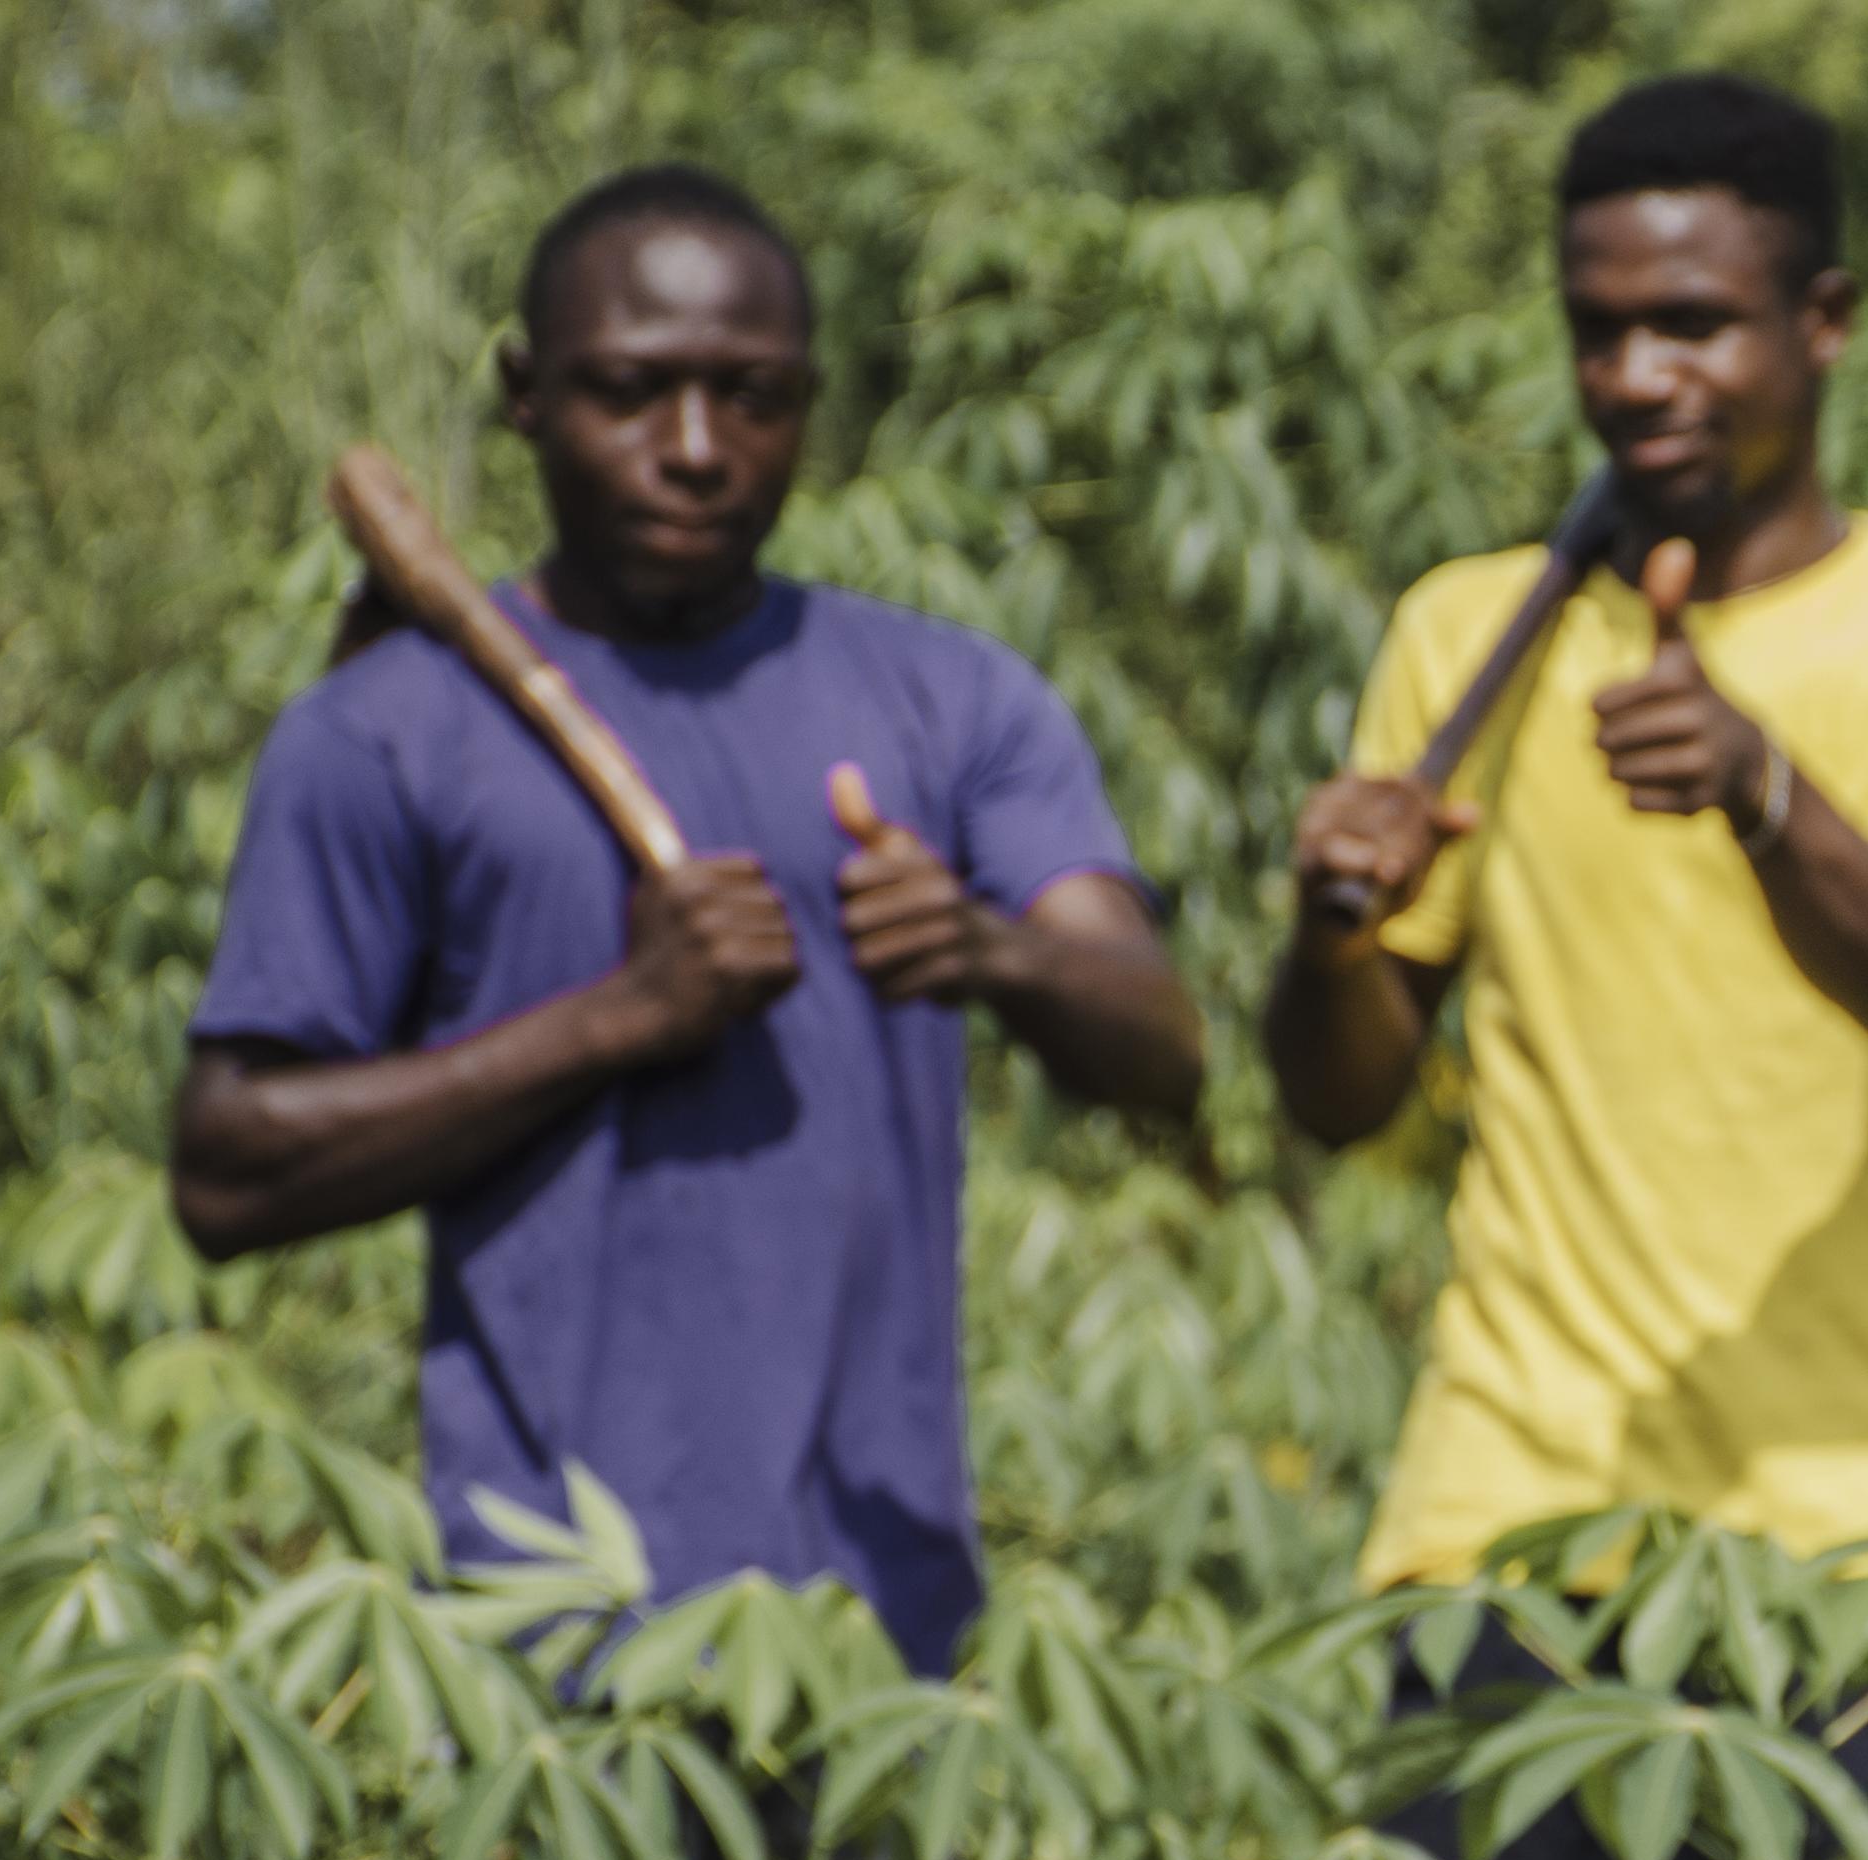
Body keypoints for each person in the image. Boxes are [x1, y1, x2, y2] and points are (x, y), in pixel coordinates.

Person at [1264, 76, 1868, 1860]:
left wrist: (1761, 788)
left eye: (1695, 325)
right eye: (1599, 328)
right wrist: (1327, 929)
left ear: (1823, 321)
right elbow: (1343, 1096)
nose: (1638, 375)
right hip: (1504, 1527)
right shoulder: (1468, 635)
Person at [174, 163, 1204, 1682]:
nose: (697, 450)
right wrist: (616, 1019)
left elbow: (1162, 1045)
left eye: (753, 397)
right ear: (524, 396)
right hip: (540, 1639)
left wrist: (993, 948)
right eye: (632, 395)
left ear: (813, 403)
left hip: (884, 1639)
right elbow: (227, 1166)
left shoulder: (950, 700)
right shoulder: (384, 733)